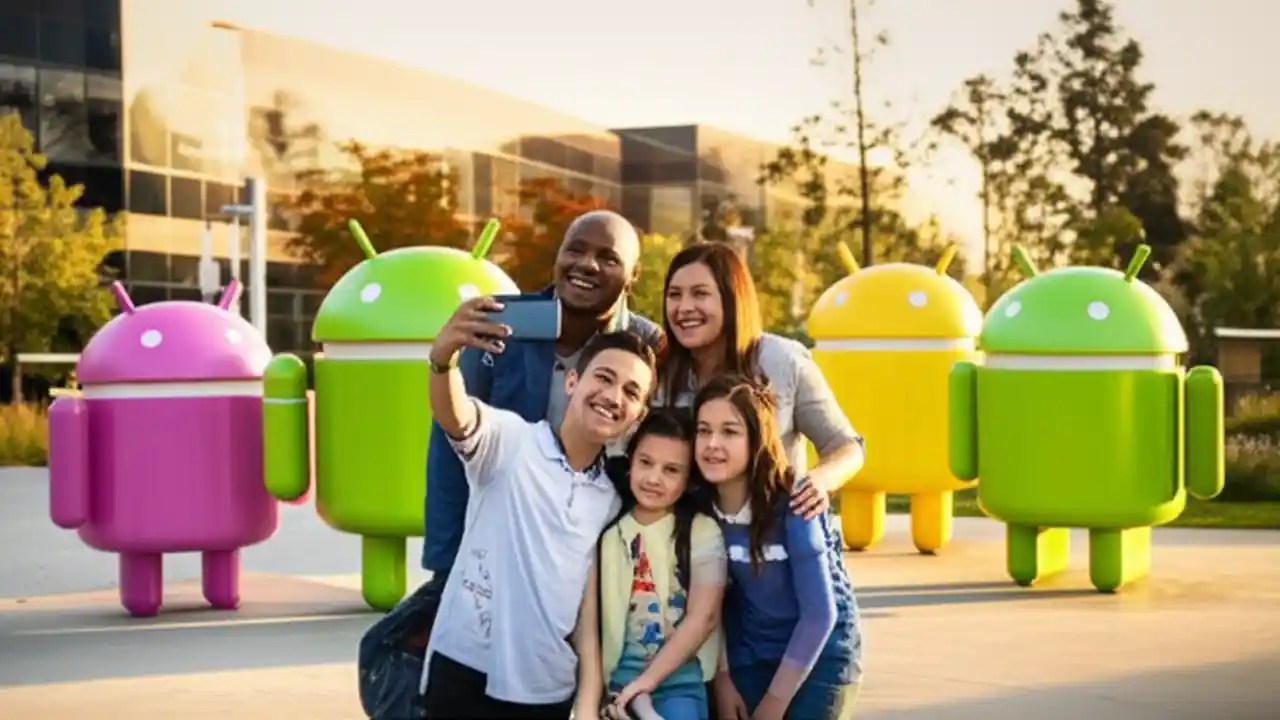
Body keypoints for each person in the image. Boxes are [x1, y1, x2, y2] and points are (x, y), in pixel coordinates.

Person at [357, 210, 663, 720]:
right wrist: (448, 561)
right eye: (575, 249)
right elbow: (451, 437)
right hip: (496, 524)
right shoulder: (502, 321)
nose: (586, 264)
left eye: (608, 258)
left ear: (632, 277)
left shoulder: (645, 345)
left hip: (580, 539)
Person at [419, 305, 658, 718]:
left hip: (546, 692)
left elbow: (587, 612)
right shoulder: (511, 441)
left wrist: (587, 696)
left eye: (631, 392)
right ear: (571, 381)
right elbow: (456, 416)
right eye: (603, 377)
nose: (613, 396)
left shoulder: (612, 501)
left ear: (637, 417)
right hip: (463, 671)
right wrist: (443, 362)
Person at [695, 374, 862, 720]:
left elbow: (820, 616)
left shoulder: (796, 504)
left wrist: (775, 702)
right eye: (703, 430)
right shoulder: (698, 511)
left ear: (756, 440)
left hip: (820, 656)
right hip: (749, 655)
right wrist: (724, 678)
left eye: (729, 431)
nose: (712, 443)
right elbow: (713, 606)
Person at [659, 242, 864, 521]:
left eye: (700, 294)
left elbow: (846, 447)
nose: (684, 308)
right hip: (688, 544)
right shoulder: (660, 371)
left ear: (732, 298)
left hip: (770, 542)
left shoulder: (782, 361)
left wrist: (819, 481)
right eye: (674, 295)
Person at [576, 410, 727, 720]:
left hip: (680, 681)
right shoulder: (610, 533)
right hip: (619, 681)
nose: (654, 478)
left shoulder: (701, 531)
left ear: (689, 481)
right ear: (630, 463)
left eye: (671, 470)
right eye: (645, 463)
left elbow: (706, 616)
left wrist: (648, 683)